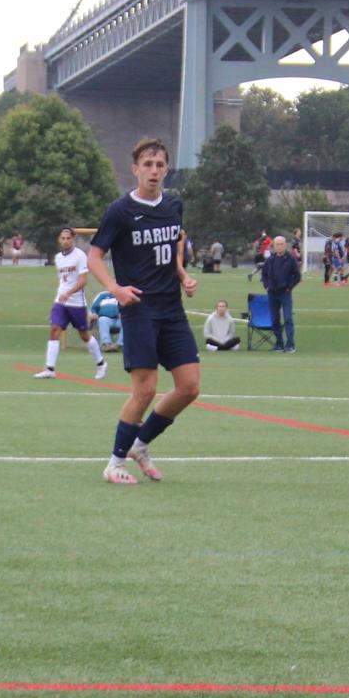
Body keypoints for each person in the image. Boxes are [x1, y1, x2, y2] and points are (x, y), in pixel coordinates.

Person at [88, 136, 199, 486]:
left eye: (160, 165)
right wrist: (114, 289)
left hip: (172, 309)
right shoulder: (120, 211)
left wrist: (182, 275)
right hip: (139, 310)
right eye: (147, 165)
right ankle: (115, 463)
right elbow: (94, 257)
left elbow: (173, 246)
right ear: (135, 170)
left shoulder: (174, 206)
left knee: (189, 387)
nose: (154, 171)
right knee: (146, 389)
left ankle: (140, 445)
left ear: (167, 169)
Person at [34, 227, 108, 380]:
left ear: (73, 240)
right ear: (59, 240)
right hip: (61, 303)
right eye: (63, 238)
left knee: (84, 335)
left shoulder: (80, 256)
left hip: (76, 304)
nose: (65, 241)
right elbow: (62, 279)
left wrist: (69, 293)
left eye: (68, 238)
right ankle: (50, 368)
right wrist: (62, 292)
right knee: (55, 329)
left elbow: (83, 280)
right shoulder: (58, 258)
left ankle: (101, 363)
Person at [260, 233, 301, 352]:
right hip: (272, 293)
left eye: (281, 244)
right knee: (274, 319)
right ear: (274, 246)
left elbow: (297, 276)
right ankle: (279, 343)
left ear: (285, 245)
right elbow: (264, 274)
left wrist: (289, 287)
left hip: (285, 293)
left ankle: (290, 344)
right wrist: (266, 286)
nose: (279, 246)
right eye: (277, 244)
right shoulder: (270, 259)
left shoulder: (290, 259)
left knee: (288, 318)